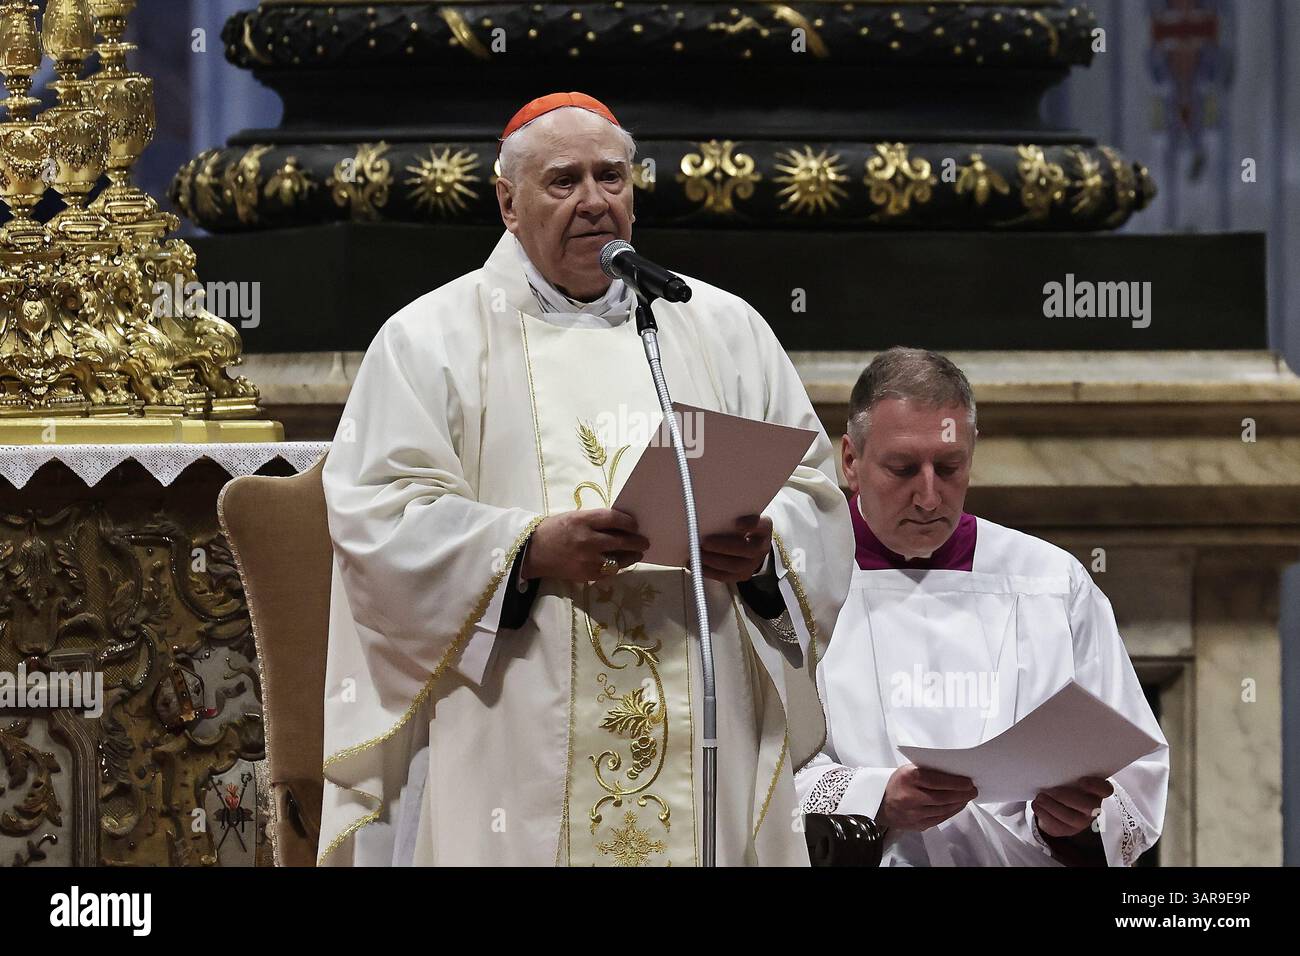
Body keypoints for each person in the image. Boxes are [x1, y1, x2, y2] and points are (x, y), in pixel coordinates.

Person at [317, 92, 854, 866]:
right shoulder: (428, 339)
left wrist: (766, 557)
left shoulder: (718, 326)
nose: (596, 202)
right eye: (563, 181)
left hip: (703, 716)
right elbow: (378, 518)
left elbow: (813, 492)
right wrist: (527, 549)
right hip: (516, 724)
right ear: (507, 201)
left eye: (613, 177)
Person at [795, 347, 1168, 866]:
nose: (929, 497)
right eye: (903, 469)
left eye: (948, 468)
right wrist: (873, 798)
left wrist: (1069, 825)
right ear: (851, 461)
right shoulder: (792, 581)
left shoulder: (1050, 583)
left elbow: (1136, 773)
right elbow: (750, 775)